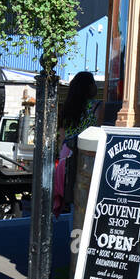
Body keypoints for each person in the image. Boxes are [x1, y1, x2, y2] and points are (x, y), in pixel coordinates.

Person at [54, 71, 102, 216]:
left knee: (73, 198)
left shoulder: (66, 109)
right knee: (86, 197)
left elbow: (61, 138)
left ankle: (73, 234)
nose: (96, 86)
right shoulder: (96, 107)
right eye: (93, 83)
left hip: (66, 157)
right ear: (88, 87)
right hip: (86, 156)